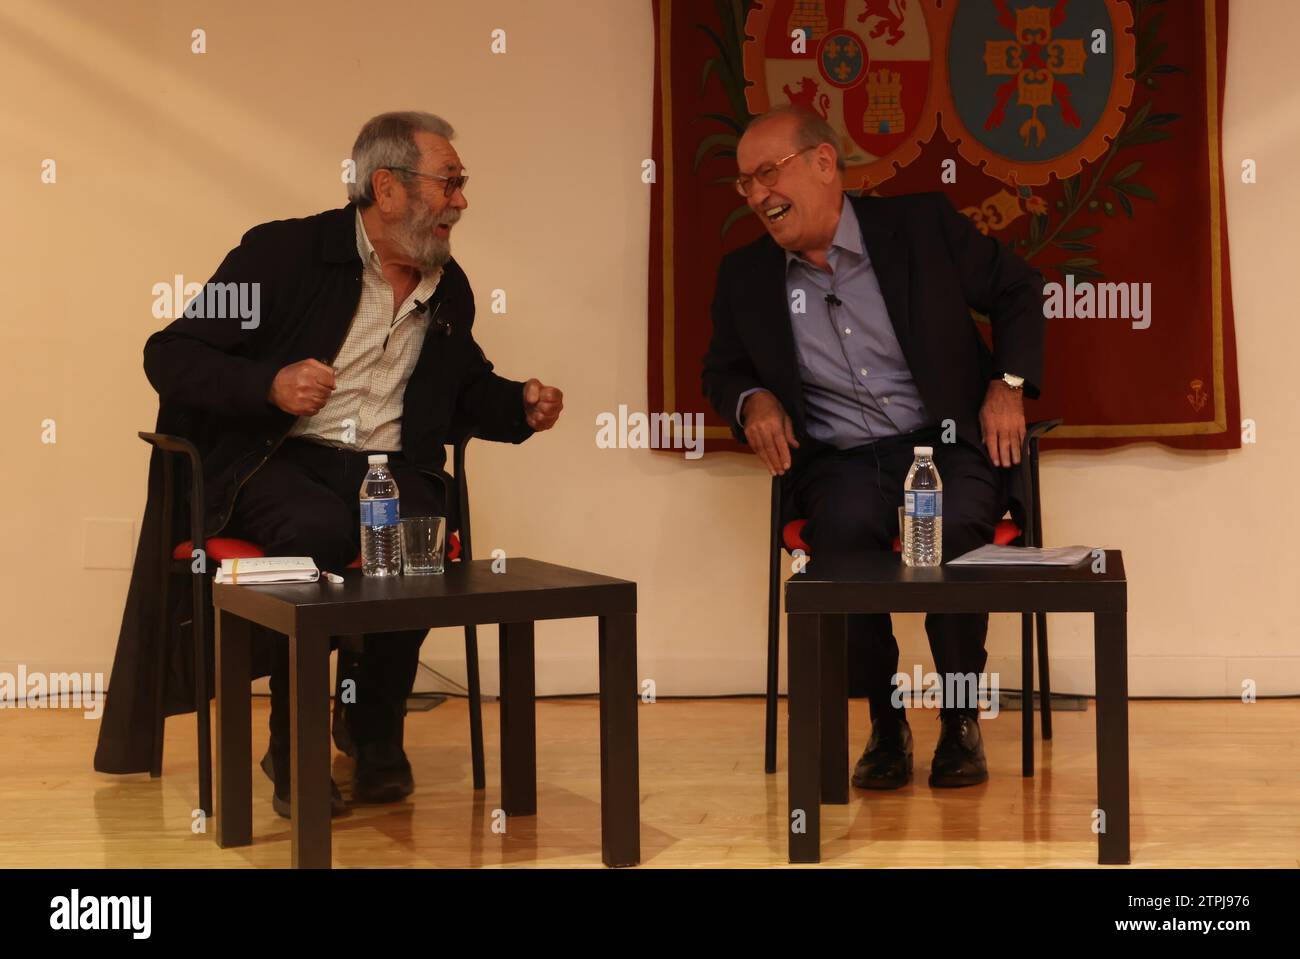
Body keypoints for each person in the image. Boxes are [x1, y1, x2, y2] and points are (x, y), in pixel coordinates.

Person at [95, 111, 563, 816]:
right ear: (388, 187)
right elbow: (170, 354)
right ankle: (293, 747)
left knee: (417, 540)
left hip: (387, 468)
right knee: (313, 535)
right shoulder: (282, 254)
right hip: (277, 459)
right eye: (450, 182)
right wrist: (269, 385)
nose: (461, 201)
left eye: (462, 184)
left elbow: (462, 390)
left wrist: (519, 405)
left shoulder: (448, 287)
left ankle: (372, 735)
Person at [702, 105, 1044, 789]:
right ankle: (886, 721)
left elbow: (1018, 288)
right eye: (744, 183)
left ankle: (958, 716)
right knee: (844, 539)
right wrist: (753, 400)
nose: (757, 196)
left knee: (945, 533)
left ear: (824, 163)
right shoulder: (746, 276)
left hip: (943, 446)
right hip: (843, 460)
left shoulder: (919, 227)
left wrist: (1008, 384)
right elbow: (722, 369)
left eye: (768, 173)